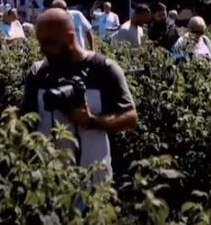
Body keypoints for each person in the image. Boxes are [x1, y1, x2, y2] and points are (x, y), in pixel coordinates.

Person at [22, 9, 137, 182]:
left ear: (70, 38)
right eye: (41, 43)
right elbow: (25, 121)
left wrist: (92, 121)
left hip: (95, 182)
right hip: (49, 183)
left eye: (49, 43)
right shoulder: (38, 73)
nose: (43, 49)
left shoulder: (104, 69)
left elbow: (130, 117)